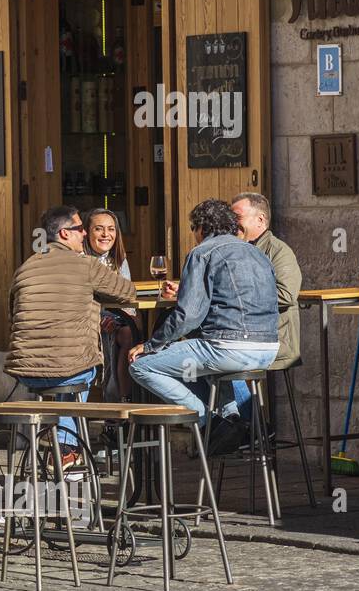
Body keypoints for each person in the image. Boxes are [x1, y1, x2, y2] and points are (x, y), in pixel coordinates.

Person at [129, 198, 280, 454]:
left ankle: (208, 422)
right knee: (204, 364)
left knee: (141, 366)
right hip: (268, 349)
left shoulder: (202, 252)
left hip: (228, 347)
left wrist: (151, 344)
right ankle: (232, 421)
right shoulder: (256, 252)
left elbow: (188, 316)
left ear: (201, 228)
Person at [7, 205, 136, 463]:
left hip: (26, 372)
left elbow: (12, 314)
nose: (85, 235)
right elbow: (128, 293)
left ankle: (55, 441)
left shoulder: (25, 267)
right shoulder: (86, 265)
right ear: (65, 234)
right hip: (69, 369)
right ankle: (66, 451)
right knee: (77, 368)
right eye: (80, 229)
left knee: (66, 369)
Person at [218, 192, 303, 447]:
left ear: (261, 219)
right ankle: (234, 424)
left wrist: (236, 296)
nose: (232, 223)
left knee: (219, 357)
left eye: (237, 217)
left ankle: (248, 425)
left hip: (272, 340)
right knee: (197, 354)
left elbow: (286, 294)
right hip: (241, 337)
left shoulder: (278, 251)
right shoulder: (232, 250)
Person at [83, 208, 139, 402]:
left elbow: (127, 296)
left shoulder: (118, 258)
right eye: (99, 229)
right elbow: (81, 300)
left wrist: (126, 318)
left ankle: (123, 401)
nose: (106, 235)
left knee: (128, 334)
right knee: (118, 335)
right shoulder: (81, 260)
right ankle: (113, 403)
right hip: (88, 321)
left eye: (111, 229)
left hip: (115, 319)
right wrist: (100, 319)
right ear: (87, 232)